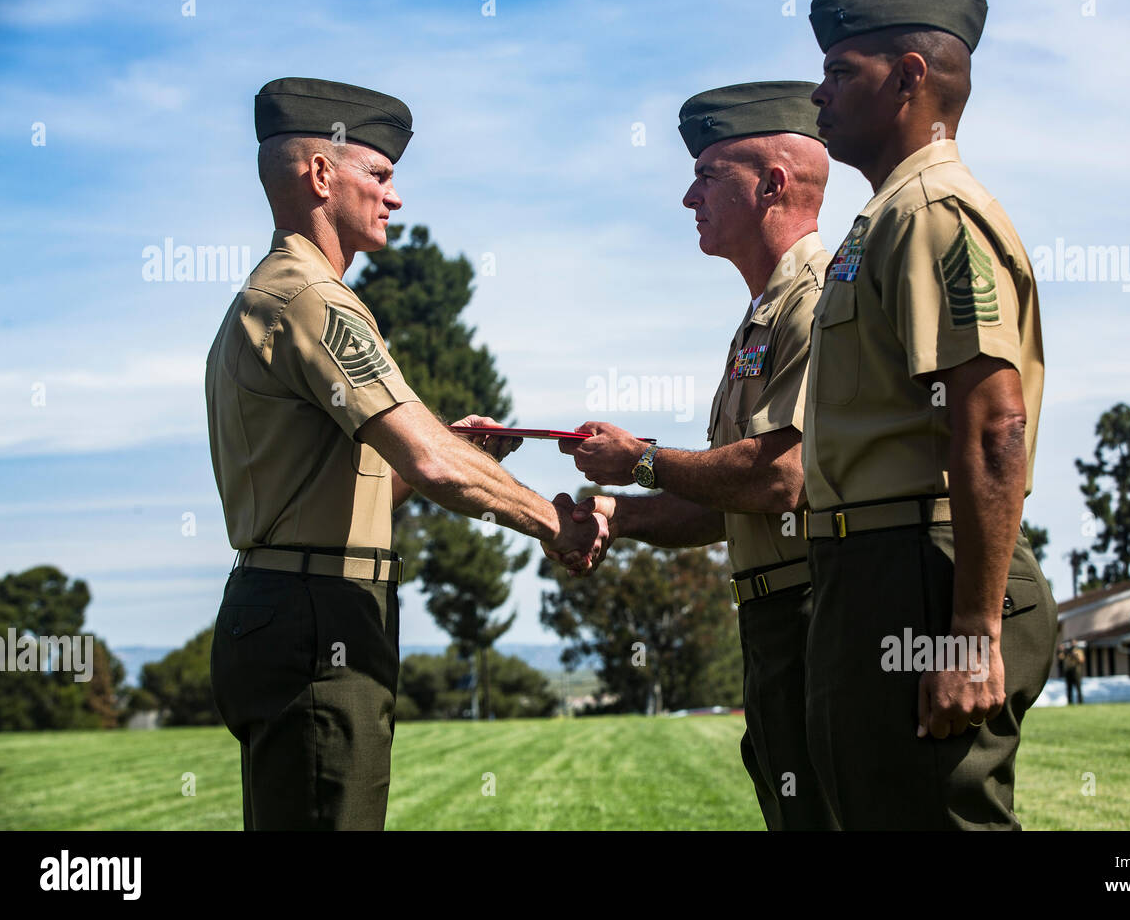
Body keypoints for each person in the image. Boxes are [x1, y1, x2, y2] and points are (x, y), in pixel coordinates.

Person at [205, 77, 608, 830]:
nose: (395, 198)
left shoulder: (267, 295)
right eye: (380, 176)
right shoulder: (313, 300)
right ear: (322, 176)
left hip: (287, 604)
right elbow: (428, 463)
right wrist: (551, 520)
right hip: (317, 618)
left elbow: (344, 493)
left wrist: (452, 450)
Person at [800, 0, 1058, 829]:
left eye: (840, 71)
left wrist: (972, 633)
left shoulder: (934, 212)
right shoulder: (886, 215)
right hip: (878, 570)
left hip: (926, 573)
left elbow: (993, 426)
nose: (818, 92)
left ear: (910, 77)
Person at [551, 82, 837, 829]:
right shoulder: (765, 314)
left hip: (815, 615)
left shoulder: (817, 299)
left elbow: (778, 478)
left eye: (708, 175)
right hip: (777, 622)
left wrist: (641, 459)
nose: (687, 197)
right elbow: (726, 496)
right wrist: (617, 510)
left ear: (771, 185)